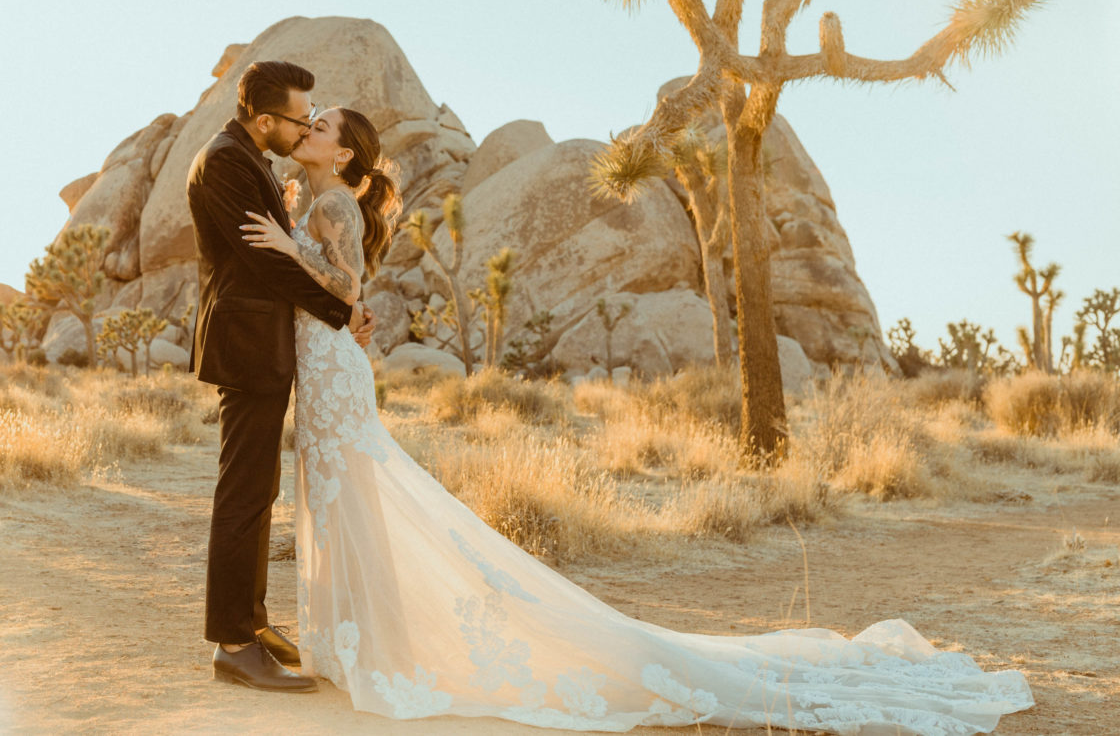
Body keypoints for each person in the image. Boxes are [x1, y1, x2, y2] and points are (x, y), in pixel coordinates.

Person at [240, 105, 1036, 733]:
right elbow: (347, 297)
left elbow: (343, 288)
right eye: (308, 123)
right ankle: (353, 644)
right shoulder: (317, 195)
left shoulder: (335, 203)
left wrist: (284, 244)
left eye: (320, 126)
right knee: (334, 502)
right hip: (326, 367)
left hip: (335, 376)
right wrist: (290, 232)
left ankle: (375, 648)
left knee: (359, 501)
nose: (308, 130)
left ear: (344, 154)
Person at [186, 60, 376, 694]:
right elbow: (265, 262)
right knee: (244, 493)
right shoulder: (227, 162)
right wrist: (342, 311)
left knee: (258, 490)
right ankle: (234, 645)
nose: (304, 130)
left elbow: (304, 256)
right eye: (299, 119)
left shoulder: (252, 158)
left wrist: (345, 305)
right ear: (264, 119)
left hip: (268, 343)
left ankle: (253, 624)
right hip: (248, 345)